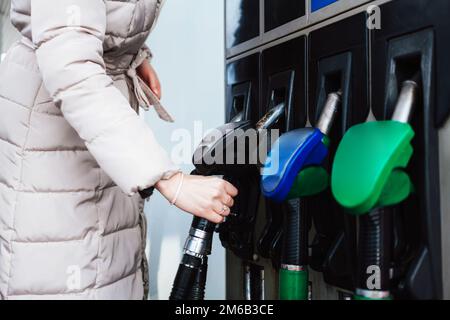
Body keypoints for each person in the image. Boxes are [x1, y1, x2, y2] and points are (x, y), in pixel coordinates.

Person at [0, 0, 238, 300]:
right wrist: (169, 180)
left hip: (89, 127)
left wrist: (129, 56)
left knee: (109, 270)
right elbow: (71, 69)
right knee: (71, 276)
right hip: (54, 135)